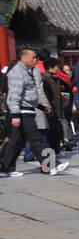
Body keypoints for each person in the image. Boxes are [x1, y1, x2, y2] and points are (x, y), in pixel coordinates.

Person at [1, 48, 53, 178]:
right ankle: (51, 166)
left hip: (26, 109)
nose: (36, 59)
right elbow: (15, 95)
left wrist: (41, 106)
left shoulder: (27, 71)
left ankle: (7, 168)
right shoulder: (18, 72)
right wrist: (15, 115)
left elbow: (28, 95)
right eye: (33, 57)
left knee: (16, 141)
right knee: (36, 139)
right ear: (23, 58)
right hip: (22, 111)